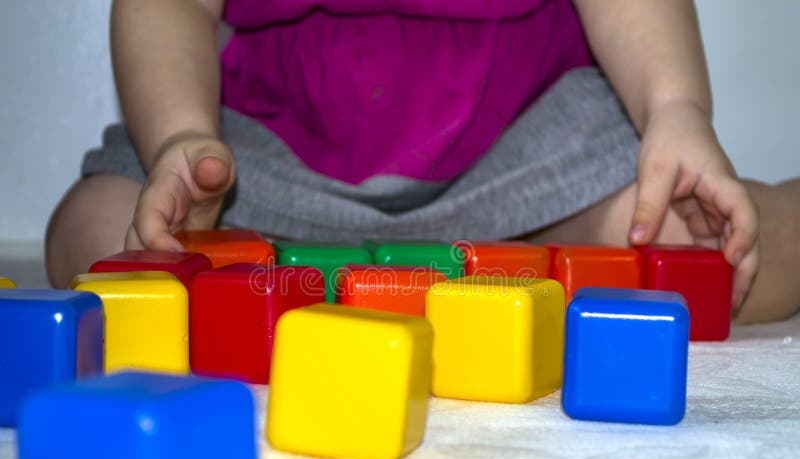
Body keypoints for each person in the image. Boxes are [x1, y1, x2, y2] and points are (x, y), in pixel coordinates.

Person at [46, 0, 799, 323]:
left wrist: (674, 110)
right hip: (268, 168)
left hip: (527, 157)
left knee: (717, 249)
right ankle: (330, 270)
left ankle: (521, 264)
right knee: (98, 231)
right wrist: (181, 137)